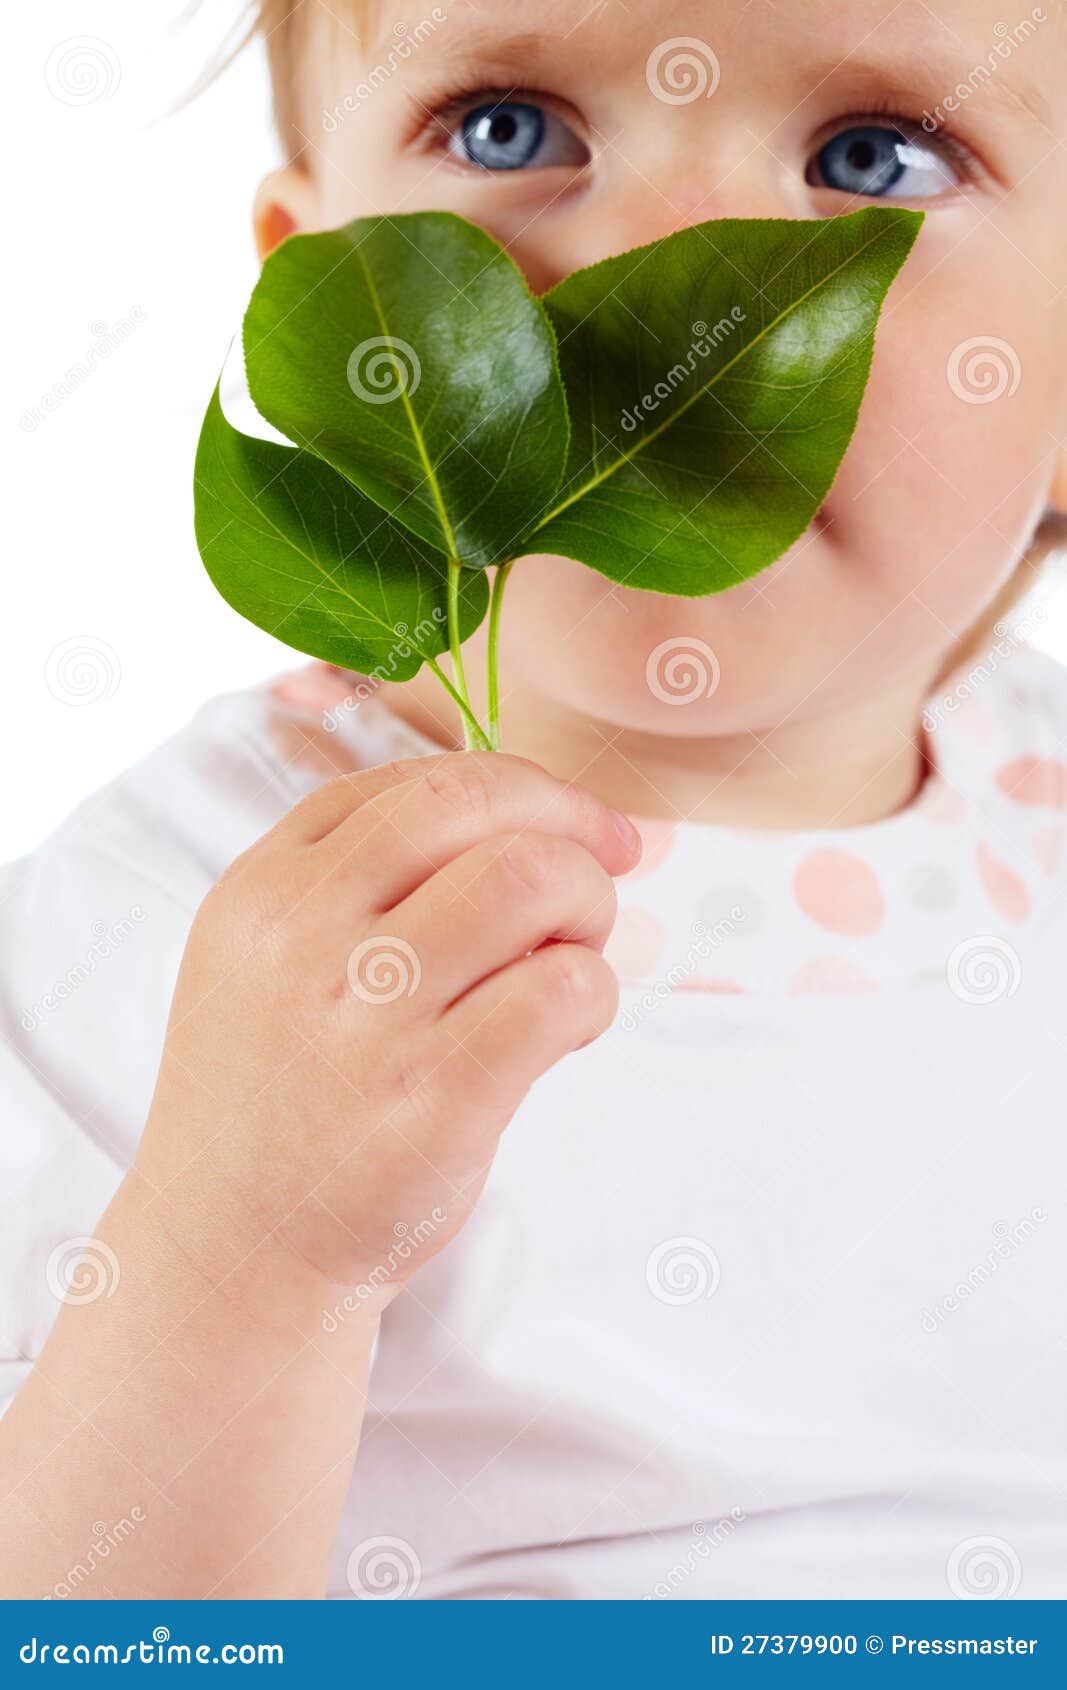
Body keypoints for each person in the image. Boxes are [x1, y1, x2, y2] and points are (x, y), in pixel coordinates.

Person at [2, 0, 1065, 1600]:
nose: (674, 263)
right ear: (315, 293)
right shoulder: (164, 929)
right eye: (512, 128)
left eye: (875, 156)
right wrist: (242, 1250)